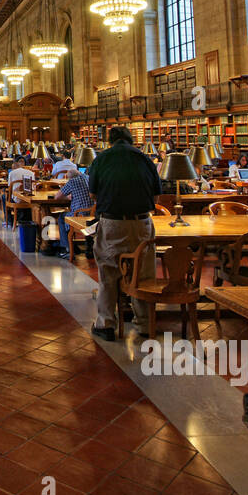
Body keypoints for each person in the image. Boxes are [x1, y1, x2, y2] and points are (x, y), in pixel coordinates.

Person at [88, 126, 160, 340]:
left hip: (113, 222)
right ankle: (145, 324)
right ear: (131, 139)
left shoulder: (101, 159)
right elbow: (156, 198)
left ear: (109, 140)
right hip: (141, 222)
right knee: (143, 273)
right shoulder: (146, 159)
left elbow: (93, 195)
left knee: (108, 272)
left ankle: (106, 324)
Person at [55, 169, 95, 259]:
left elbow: (57, 197)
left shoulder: (72, 182)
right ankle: (72, 245)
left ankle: (66, 249)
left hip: (79, 215)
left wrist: (67, 198)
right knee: (68, 214)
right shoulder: (88, 178)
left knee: (62, 217)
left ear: (70, 178)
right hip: (93, 214)